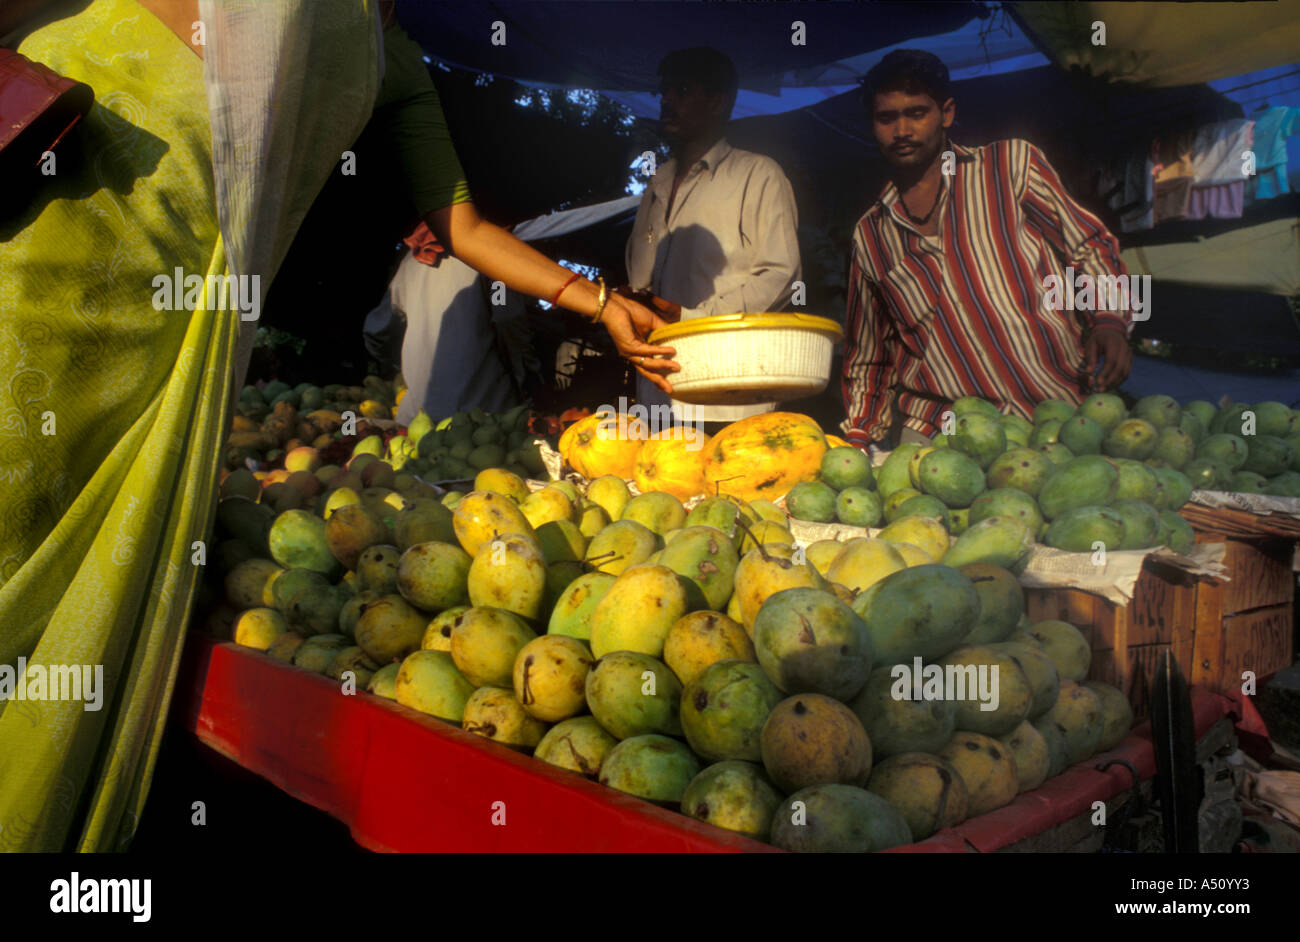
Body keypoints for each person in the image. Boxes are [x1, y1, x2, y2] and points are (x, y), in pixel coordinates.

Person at [0, 0, 672, 852]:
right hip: (36, 223)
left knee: (71, 566)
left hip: (160, 322)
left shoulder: (385, 56)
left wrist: (603, 302)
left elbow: (461, 226)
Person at [841, 50, 1134, 450]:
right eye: (886, 118)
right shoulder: (870, 235)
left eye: (916, 113)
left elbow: (1089, 245)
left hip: (1057, 411)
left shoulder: (1011, 166)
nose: (902, 130)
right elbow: (868, 355)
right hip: (941, 430)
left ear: (946, 113)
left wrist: (1109, 320)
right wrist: (859, 433)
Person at [621, 46, 802, 431]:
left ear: (718, 102)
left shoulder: (758, 174)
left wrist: (691, 317)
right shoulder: (658, 182)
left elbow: (781, 277)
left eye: (682, 90)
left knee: (728, 485)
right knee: (657, 485)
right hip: (660, 391)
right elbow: (643, 280)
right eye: (664, 91)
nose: (667, 100)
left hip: (728, 393)